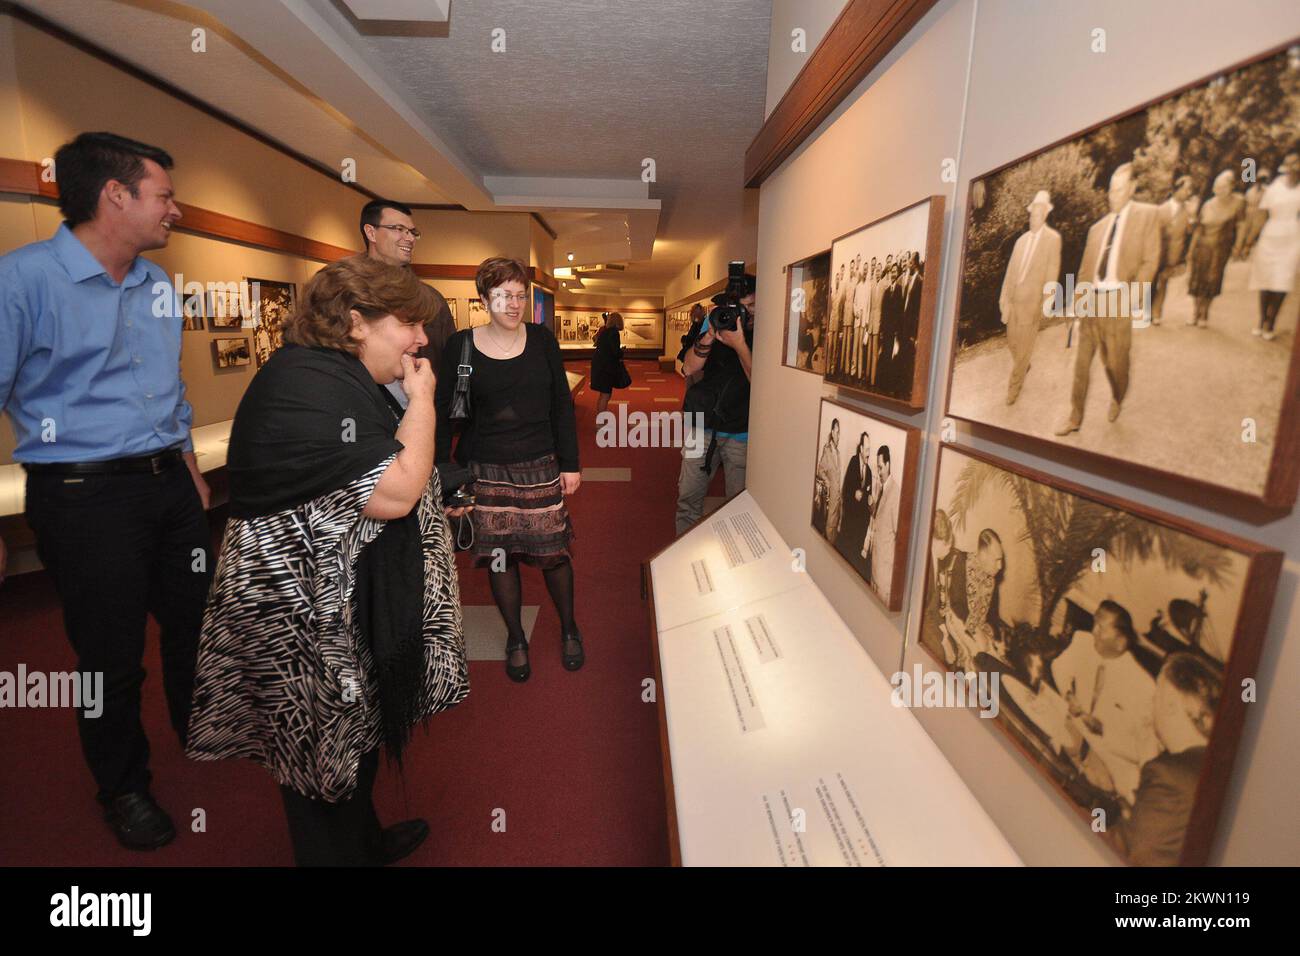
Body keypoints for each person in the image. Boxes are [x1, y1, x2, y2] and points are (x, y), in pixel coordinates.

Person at [186, 255, 468, 866]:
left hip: (328, 605)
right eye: (409, 324)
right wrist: (422, 399)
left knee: (350, 749)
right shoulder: (310, 384)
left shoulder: (332, 373)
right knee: (319, 766)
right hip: (297, 618)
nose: (422, 339)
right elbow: (395, 492)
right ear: (356, 321)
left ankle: (364, 842)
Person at [0, 132, 211, 850]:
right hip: (84, 500)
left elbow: (168, 388)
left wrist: (185, 463)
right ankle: (123, 786)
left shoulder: (156, 285)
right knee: (109, 658)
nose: (174, 211)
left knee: (195, 620)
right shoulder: (22, 280)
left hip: (169, 490)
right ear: (114, 195)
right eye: (164, 196)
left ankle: (201, 727)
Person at [435, 257, 583, 682]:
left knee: (554, 554)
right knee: (500, 558)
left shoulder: (541, 340)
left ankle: (569, 626)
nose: (514, 304)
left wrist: (570, 464)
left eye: (521, 295)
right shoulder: (461, 346)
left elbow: (560, 404)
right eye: (504, 295)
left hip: (540, 465)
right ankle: (517, 636)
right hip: (486, 469)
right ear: (484, 299)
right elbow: (445, 414)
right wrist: (447, 479)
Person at [1055, 163, 1160, 435]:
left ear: (1132, 188)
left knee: (1115, 363)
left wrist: (1132, 299)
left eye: (1119, 190)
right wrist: (1075, 306)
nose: (1112, 196)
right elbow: (1084, 272)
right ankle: (1074, 417)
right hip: (1092, 301)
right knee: (1081, 364)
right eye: (1111, 191)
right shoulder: (1096, 229)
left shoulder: (1147, 216)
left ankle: (1118, 394)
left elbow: (1150, 261)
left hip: (1118, 301)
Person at [1103, 653, 1219, 866]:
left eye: (1157, 692)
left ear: (1171, 705)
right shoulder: (1209, 767)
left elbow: (1122, 851)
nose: (1152, 700)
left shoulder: (1168, 774)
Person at [1051, 600, 1158, 805]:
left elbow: (1145, 752)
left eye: (1101, 628)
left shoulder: (1143, 685)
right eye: (1094, 623)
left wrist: (1105, 731)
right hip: (1073, 739)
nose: (1094, 632)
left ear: (1120, 642)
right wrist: (1068, 694)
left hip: (1110, 767)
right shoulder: (1084, 643)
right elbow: (1059, 667)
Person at [675, 272, 756, 536]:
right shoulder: (715, 322)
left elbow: (761, 382)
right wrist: (708, 336)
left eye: (751, 306)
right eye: (740, 307)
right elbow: (688, 367)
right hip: (703, 424)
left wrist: (740, 344)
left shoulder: (766, 331)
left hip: (741, 431)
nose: (745, 312)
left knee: (739, 507)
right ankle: (682, 553)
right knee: (688, 500)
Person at [359, 198, 456, 396]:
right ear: (371, 232)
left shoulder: (432, 300)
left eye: (412, 232)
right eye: (398, 229)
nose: (409, 238)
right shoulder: (345, 293)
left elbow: (449, 363)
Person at [999, 190, 1062, 404]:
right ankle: (1023, 363)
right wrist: (1004, 299)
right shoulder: (1021, 241)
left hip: (1033, 304)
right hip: (1014, 303)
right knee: (1012, 343)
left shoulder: (1053, 240)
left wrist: (1047, 302)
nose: (1034, 217)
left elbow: (1053, 272)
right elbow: (1010, 272)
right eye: (1032, 213)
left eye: (1038, 213)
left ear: (1045, 214)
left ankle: (1013, 389)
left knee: (1024, 347)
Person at [1248, 151, 1300, 342]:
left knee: (1283, 280)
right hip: (1271, 235)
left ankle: (1271, 321)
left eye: (1295, 164)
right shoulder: (1275, 187)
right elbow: (1262, 214)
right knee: (1266, 279)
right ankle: (1262, 320)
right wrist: (1249, 241)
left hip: (1292, 237)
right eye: (1289, 165)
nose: (1292, 169)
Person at [1184, 169, 1245, 328]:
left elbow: (1241, 225)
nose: (1219, 190)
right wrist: (1190, 250)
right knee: (1197, 280)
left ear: (1231, 187)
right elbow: (1198, 229)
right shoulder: (1208, 204)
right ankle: (1195, 312)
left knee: (1213, 280)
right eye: (1217, 187)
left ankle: (1204, 313)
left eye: (1223, 187)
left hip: (1220, 249)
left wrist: (1238, 246)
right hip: (1202, 247)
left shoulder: (1238, 202)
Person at [1151, 177, 1194, 324]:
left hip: (1173, 254)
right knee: (1150, 281)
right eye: (1186, 189)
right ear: (1176, 189)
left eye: (1190, 190)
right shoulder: (1160, 209)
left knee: (1163, 283)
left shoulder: (1188, 212)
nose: (1188, 192)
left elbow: (1189, 233)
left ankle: (1156, 313)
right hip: (1156, 252)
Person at [836, 431, 873, 577]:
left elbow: (867, 498)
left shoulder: (869, 472)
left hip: (860, 528)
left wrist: (869, 501)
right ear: (861, 449)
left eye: (870, 449)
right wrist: (853, 494)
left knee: (853, 564)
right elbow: (846, 490)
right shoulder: (853, 462)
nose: (869, 453)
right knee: (843, 559)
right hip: (849, 524)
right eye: (867, 450)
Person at [865, 444, 898, 603]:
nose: (878, 472)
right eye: (877, 468)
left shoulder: (895, 494)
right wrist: (872, 506)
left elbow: (899, 538)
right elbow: (879, 520)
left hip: (885, 576)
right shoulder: (882, 488)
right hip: (874, 567)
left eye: (880, 468)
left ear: (888, 465)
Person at [590, 311, 626, 417]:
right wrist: (622, 351)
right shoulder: (614, 333)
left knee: (605, 394)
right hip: (605, 368)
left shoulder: (605, 331)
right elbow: (615, 352)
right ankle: (600, 422)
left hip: (600, 366)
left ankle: (602, 417)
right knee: (605, 395)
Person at [814, 418, 843, 541]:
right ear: (832, 432)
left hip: (837, 499)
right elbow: (820, 470)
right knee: (829, 527)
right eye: (837, 432)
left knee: (834, 526)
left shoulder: (838, 453)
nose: (838, 436)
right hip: (830, 498)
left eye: (839, 433)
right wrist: (828, 482)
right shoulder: (827, 450)